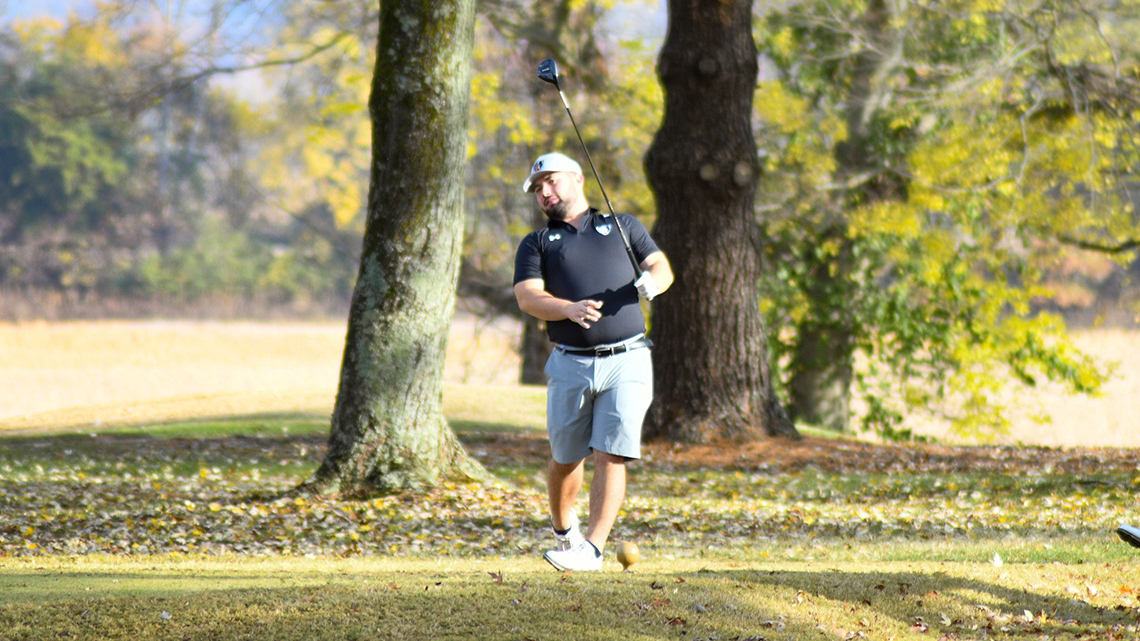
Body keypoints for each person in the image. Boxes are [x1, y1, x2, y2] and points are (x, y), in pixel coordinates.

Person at [513, 151, 674, 571]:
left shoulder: (621, 226)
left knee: (612, 452)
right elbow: (528, 296)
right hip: (571, 362)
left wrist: (652, 283)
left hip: (629, 359)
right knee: (566, 457)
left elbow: (660, 265)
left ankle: (593, 549)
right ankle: (565, 529)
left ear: (578, 178)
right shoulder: (537, 243)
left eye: (551, 181)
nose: (545, 192)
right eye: (538, 189)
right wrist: (567, 309)